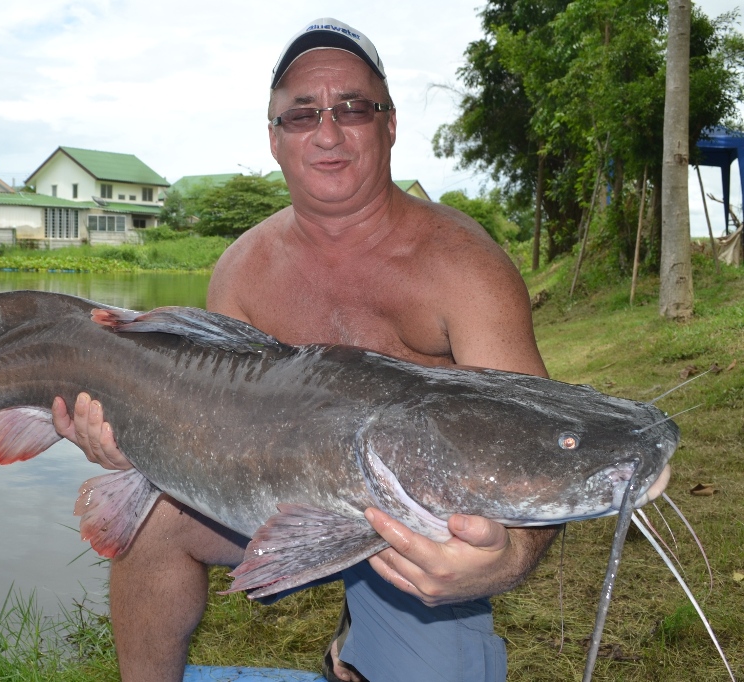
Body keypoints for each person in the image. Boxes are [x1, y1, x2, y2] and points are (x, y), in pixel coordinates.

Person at [52, 18, 558, 682]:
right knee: (149, 523)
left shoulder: (465, 268)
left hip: (414, 532)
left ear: (390, 124)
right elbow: (208, 429)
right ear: (274, 138)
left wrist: (508, 557)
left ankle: (365, 638)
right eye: (301, 115)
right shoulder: (242, 269)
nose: (327, 132)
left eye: (352, 108)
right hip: (273, 499)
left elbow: (541, 444)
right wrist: (139, 443)